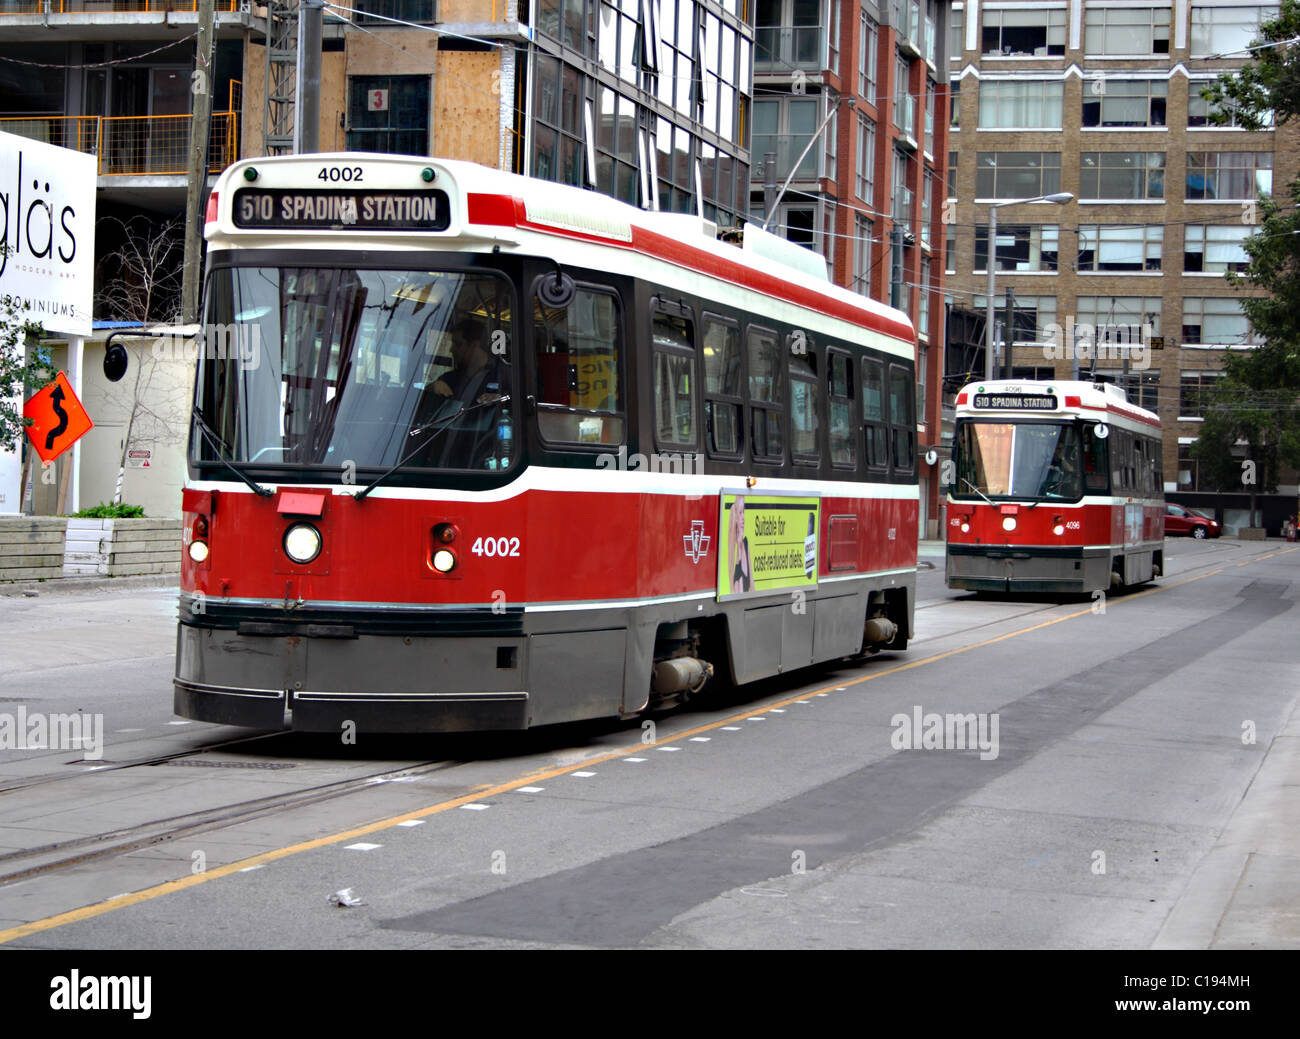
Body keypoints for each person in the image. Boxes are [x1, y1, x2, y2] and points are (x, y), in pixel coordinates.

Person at [431, 316, 507, 405]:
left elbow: (514, 404)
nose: (451, 349)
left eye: (458, 344)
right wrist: (434, 386)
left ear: (474, 345)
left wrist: (499, 399)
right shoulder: (454, 377)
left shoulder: (500, 374)